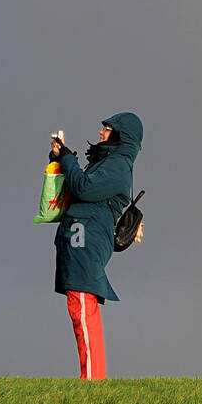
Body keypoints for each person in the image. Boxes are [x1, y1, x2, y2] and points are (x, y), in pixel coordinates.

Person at [49, 111, 144, 379]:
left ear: (120, 136)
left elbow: (83, 188)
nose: (101, 133)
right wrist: (61, 158)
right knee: (80, 306)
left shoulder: (117, 165)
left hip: (85, 242)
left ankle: (92, 379)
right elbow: (79, 186)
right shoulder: (110, 162)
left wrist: (67, 158)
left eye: (107, 129)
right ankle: (94, 377)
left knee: (81, 306)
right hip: (82, 238)